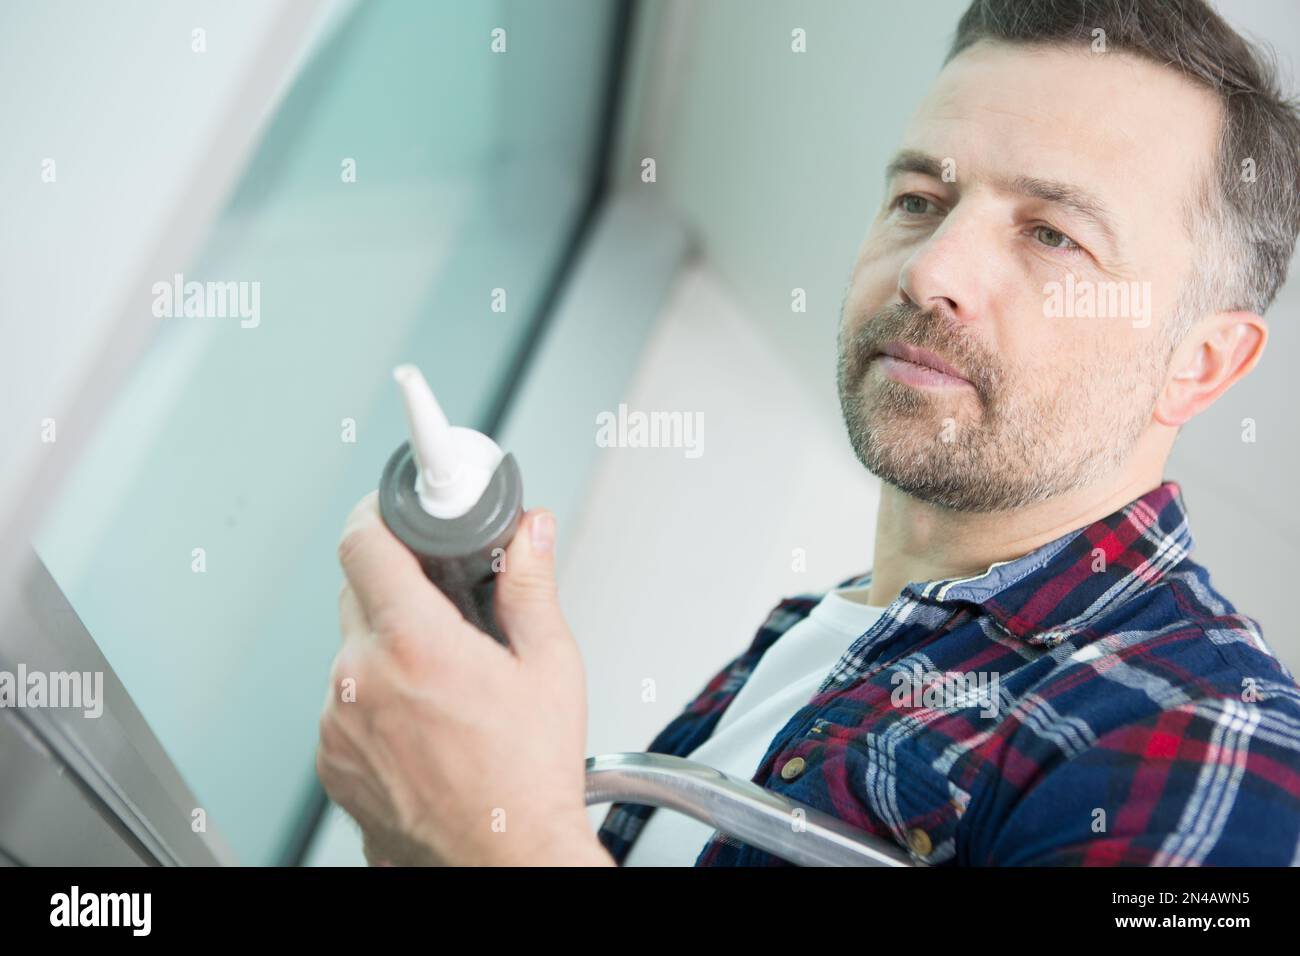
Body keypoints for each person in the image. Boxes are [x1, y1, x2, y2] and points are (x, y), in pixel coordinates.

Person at [316, 0, 1300, 866]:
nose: (931, 270)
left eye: (1052, 233)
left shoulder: (1216, 730)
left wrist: (496, 841)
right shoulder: (803, 635)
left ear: (1201, 362)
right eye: (919, 200)